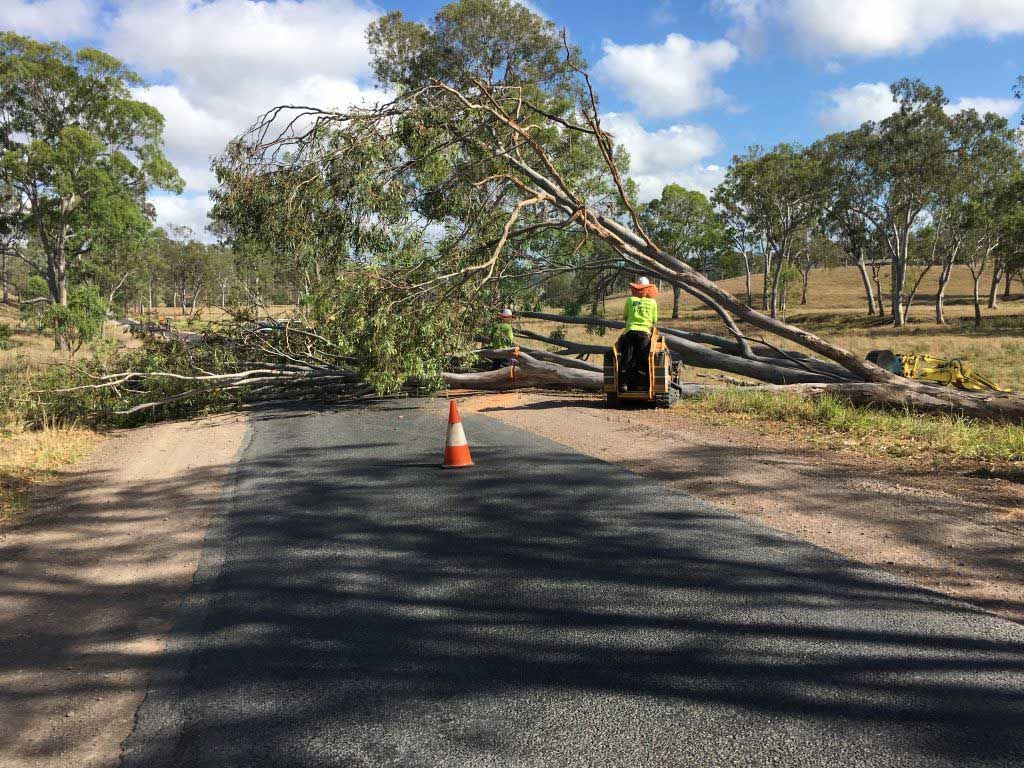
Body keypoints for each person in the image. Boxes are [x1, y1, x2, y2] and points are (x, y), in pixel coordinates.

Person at [618, 277, 659, 389]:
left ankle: (624, 383)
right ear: (648, 289)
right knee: (643, 357)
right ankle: (643, 384)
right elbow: (654, 320)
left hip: (630, 332)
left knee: (627, 356)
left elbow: (625, 317)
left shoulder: (630, 300)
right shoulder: (653, 302)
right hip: (644, 333)